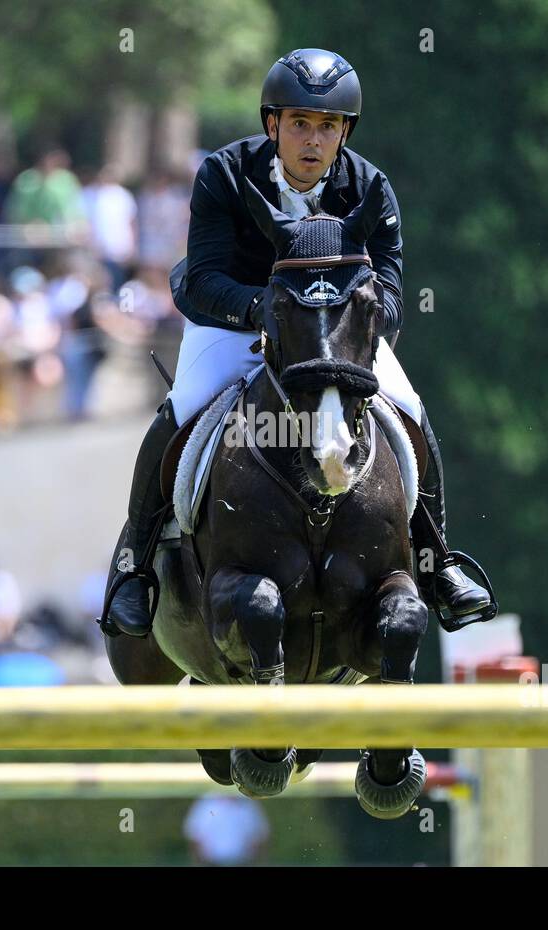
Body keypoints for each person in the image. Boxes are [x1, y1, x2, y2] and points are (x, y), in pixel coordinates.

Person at [102, 48, 494, 638]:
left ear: (344, 133)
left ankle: (439, 564)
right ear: (272, 125)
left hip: (335, 336)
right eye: (301, 125)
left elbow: (389, 295)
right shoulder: (225, 175)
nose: (314, 141)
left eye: (328, 127)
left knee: (412, 412)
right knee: (181, 410)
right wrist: (264, 311)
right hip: (233, 323)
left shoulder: (371, 189)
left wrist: (351, 325)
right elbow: (205, 278)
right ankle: (136, 567)